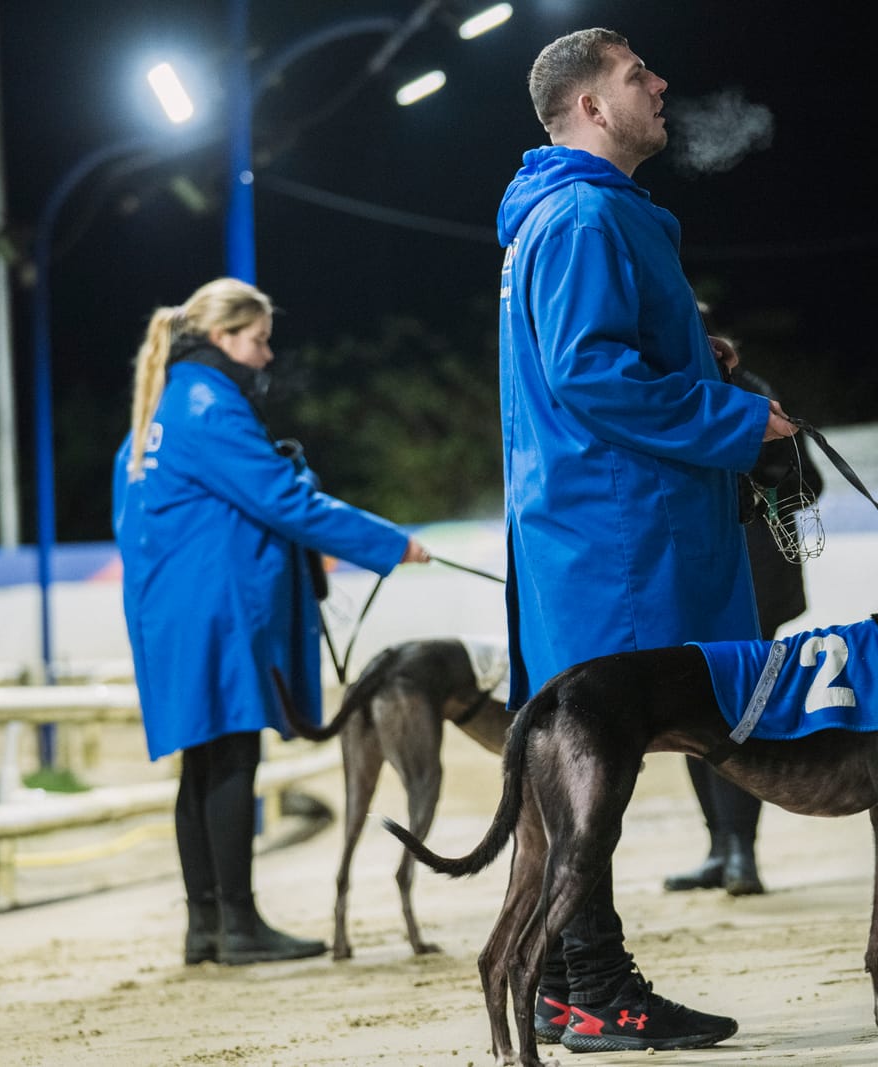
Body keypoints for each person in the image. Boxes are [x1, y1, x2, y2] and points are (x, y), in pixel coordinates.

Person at [497, 28, 799, 1053]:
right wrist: (731, 417)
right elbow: (589, 375)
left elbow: (605, 353)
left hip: (598, 528)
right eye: (637, 75)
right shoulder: (581, 215)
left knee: (589, 765)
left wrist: (694, 354)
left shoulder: (584, 215)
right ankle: (597, 988)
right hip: (615, 539)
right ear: (588, 105)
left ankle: (567, 985)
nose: (661, 83)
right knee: (595, 769)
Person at [112, 277, 430, 967]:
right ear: (224, 337)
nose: (265, 357)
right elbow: (284, 500)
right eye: (257, 341)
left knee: (201, 762)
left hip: (170, 607)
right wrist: (389, 542)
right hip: (215, 608)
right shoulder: (210, 405)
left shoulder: (161, 406)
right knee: (232, 755)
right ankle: (240, 924)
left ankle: (206, 926)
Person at [664, 353, 824, 897]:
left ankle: (741, 852)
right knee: (692, 717)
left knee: (735, 715)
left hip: (752, 587)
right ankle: (719, 846)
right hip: (695, 584)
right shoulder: (675, 393)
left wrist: (751, 482)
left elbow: (810, 481)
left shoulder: (747, 394)